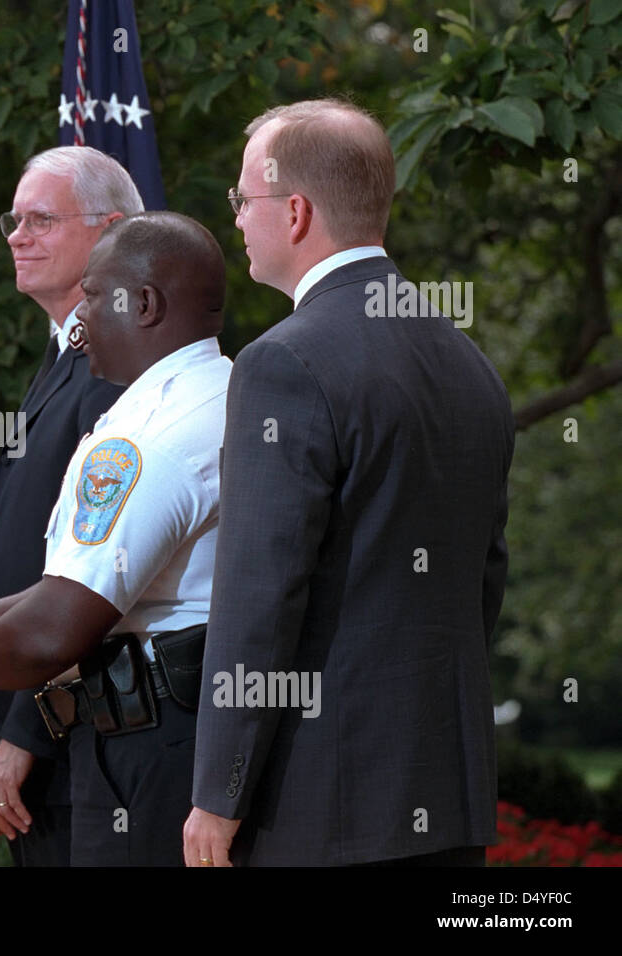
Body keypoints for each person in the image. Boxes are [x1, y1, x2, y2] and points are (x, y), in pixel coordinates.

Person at [183, 99, 514, 867]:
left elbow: (260, 597)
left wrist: (217, 795)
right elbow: (482, 580)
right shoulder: (470, 363)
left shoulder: (280, 362)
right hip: (446, 795)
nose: (235, 218)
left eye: (242, 199)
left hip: (320, 807)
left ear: (294, 211)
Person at [0, 211, 232, 866]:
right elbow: (87, 586)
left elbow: (55, 632)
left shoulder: (145, 436)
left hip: (149, 751)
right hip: (191, 736)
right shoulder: (224, 391)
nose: (79, 320)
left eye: (92, 297)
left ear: (145, 304)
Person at [0, 147, 132, 866]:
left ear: (109, 232)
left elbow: (96, 582)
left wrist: (24, 732)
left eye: (41, 219)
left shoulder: (112, 367)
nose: (15, 234)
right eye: (15, 218)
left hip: (79, 748)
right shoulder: (64, 359)